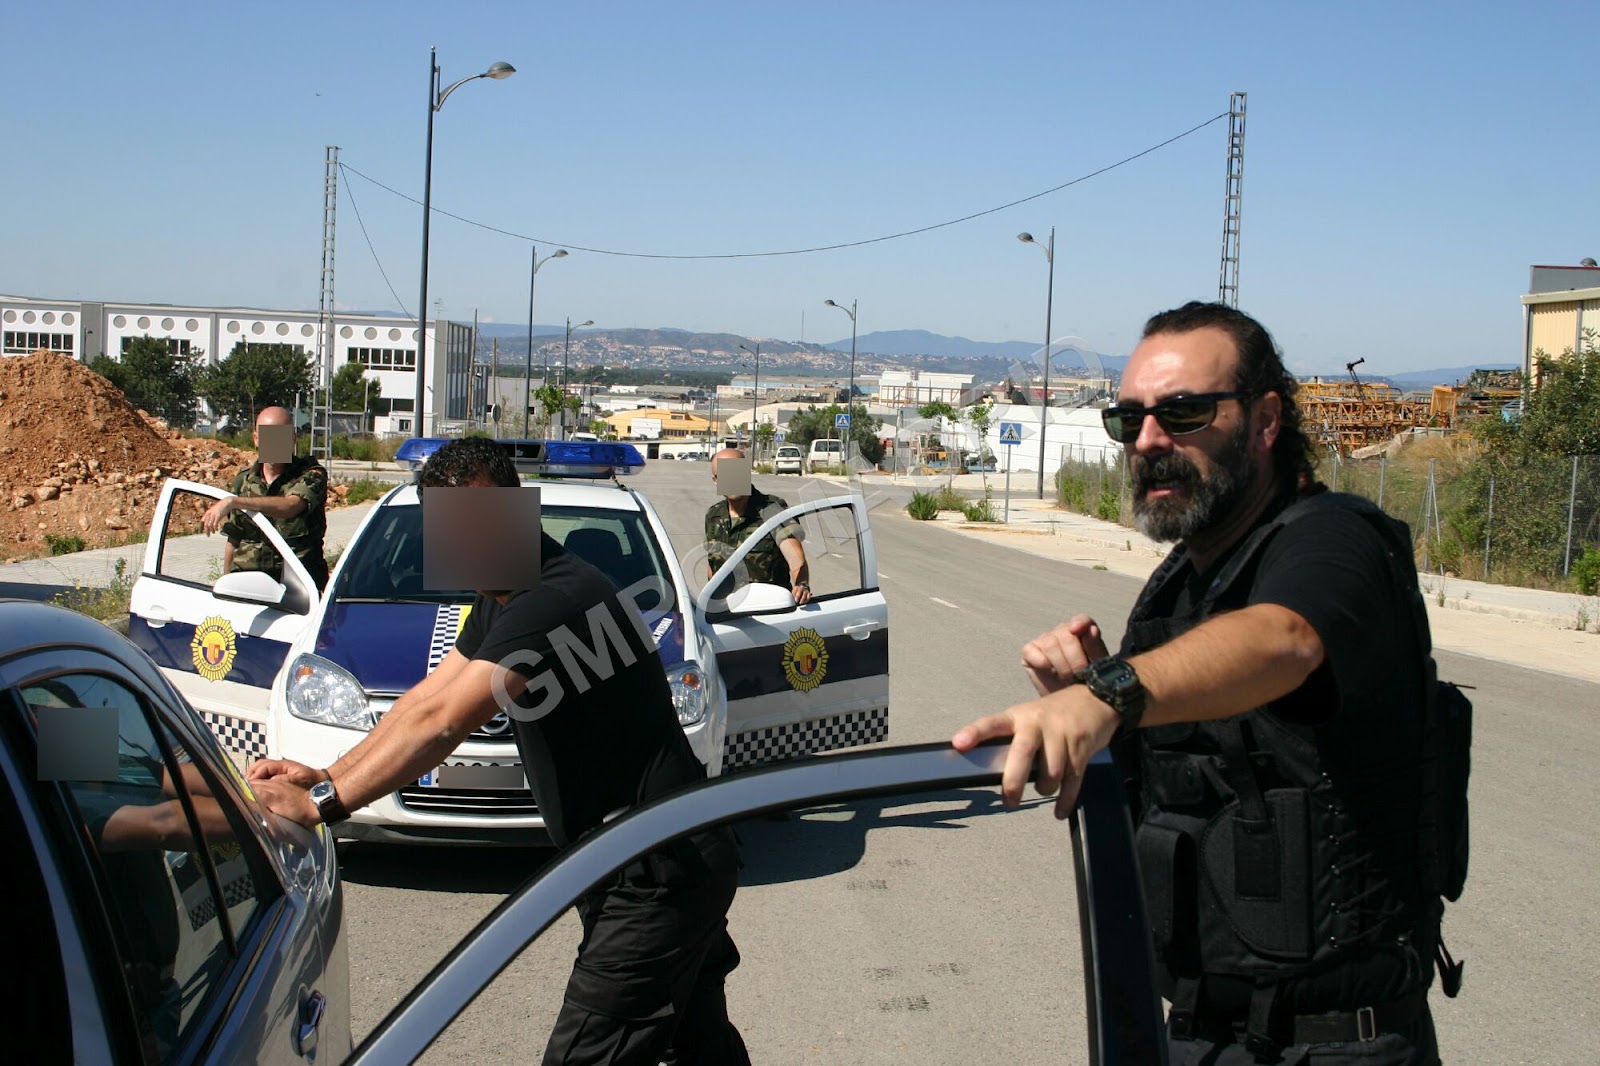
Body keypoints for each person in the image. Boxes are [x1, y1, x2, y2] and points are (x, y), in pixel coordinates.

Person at [954, 302, 1445, 1065]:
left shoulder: (1337, 541)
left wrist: (1104, 695)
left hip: (1337, 1045)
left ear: (1265, 420)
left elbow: (1285, 640)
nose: (1150, 441)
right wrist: (1096, 700)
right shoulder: (1180, 588)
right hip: (1195, 1034)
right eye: (1130, 420)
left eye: (1184, 413)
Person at [248, 437, 748, 1066]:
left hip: (656, 873)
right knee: (698, 1049)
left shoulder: (556, 599)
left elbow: (442, 724)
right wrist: (326, 772)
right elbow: (422, 699)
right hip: (650, 860)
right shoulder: (500, 597)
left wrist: (321, 803)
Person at [201, 406, 330, 589]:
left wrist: (233, 502)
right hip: (249, 585)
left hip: (298, 589)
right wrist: (225, 587)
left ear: (293, 438)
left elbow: (291, 505)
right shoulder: (243, 481)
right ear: (256, 439)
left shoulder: (311, 474)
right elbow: (233, 540)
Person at [703, 447, 811, 604]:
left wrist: (802, 585)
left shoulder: (772, 510)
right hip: (727, 613)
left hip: (768, 611)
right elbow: (712, 566)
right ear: (716, 480)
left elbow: (796, 559)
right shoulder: (713, 515)